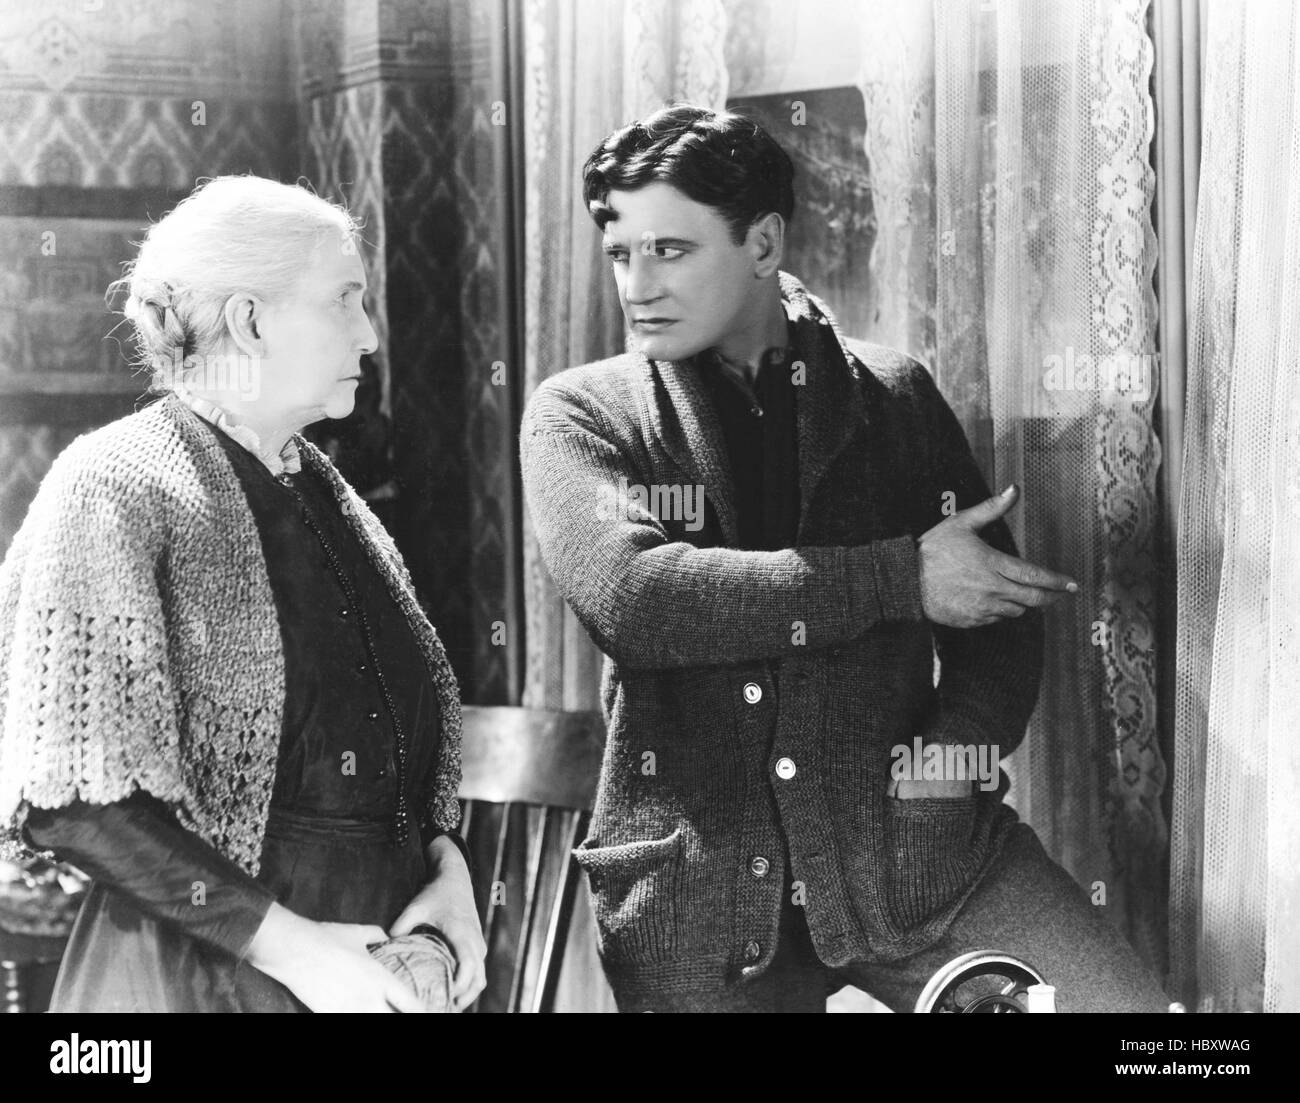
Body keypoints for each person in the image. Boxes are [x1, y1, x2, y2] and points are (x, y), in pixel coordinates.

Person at [519, 105, 1169, 1012]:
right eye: (621, 252)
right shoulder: (581, 414)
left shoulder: (892, 397)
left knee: (1160, 1036)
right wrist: (901, 575)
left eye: (671, 249)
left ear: (762, 242)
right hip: (699, 912)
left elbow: (1000, 621)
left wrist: (941, 776)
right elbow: (637, 599)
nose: (637, 283)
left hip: (921, 864)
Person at [0, 175, 486, 1012]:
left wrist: (453, 886)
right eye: (345, 300)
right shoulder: (114, 483)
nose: (369, 335)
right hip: (191, 986)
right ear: (250, 320)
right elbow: (72, 803)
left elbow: (393, 766)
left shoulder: (329, 496)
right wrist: (301, 955)